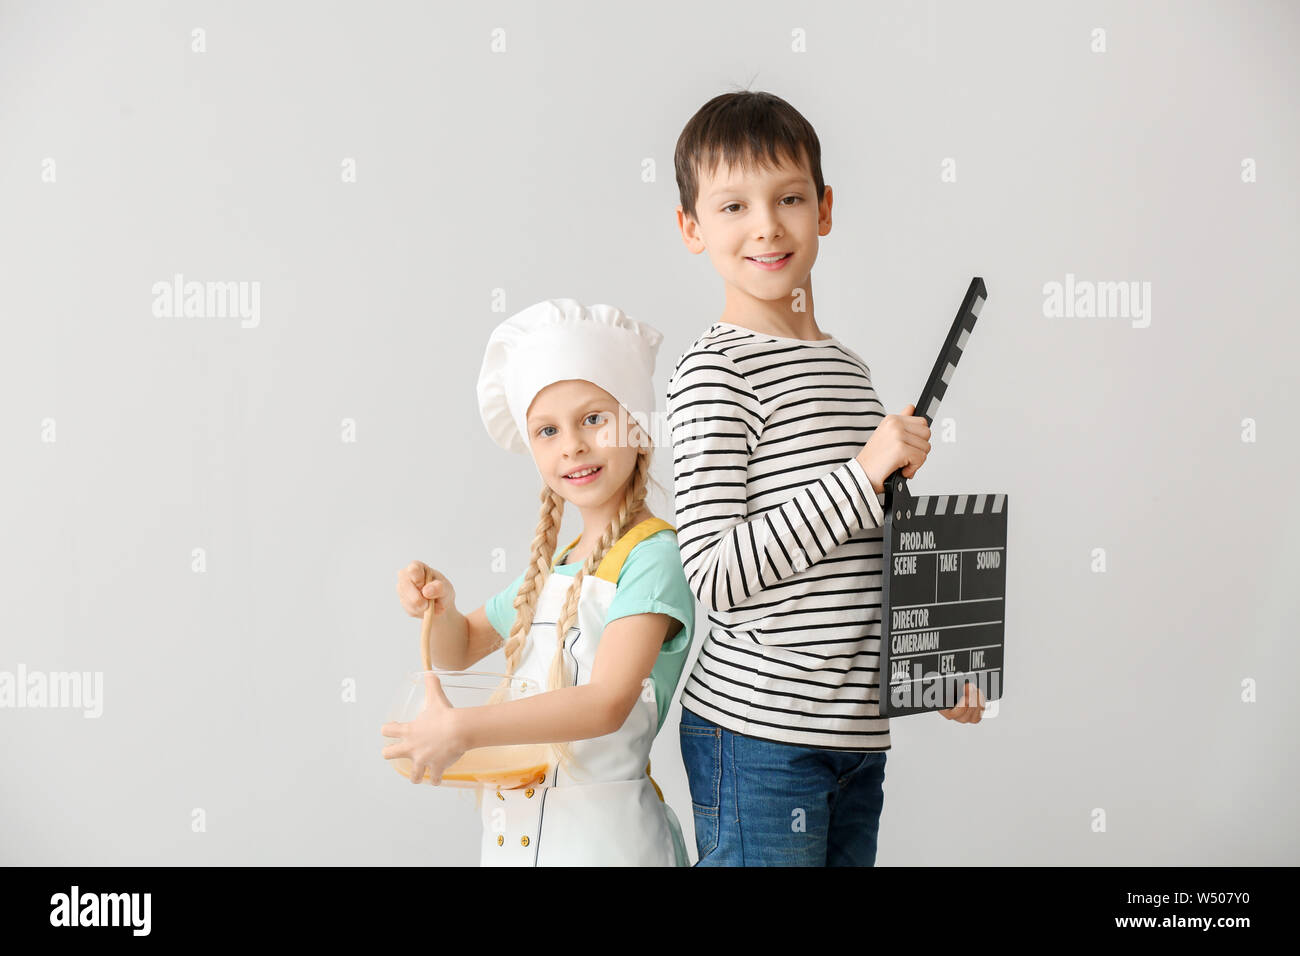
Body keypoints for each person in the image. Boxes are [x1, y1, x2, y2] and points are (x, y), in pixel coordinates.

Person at [667, 90, 985, 867]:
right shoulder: (714, 374)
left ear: (825, 208)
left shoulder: (847, 368)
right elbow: (715, 572)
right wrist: (862, 471)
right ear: (692, 228)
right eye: (734, 205)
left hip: (852, 736)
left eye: (789, 198)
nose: (767, 225)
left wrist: (936, 661)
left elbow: (858, 553)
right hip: (758, 735)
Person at [382, 298, 695, 866]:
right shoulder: (554, 571)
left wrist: (463, 729)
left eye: (593, 419)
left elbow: (605, 703)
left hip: (609, 847)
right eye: (547, 431)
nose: (572, 444)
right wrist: (441, 606)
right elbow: (457, 651)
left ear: (637, 424)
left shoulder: (654, 557)